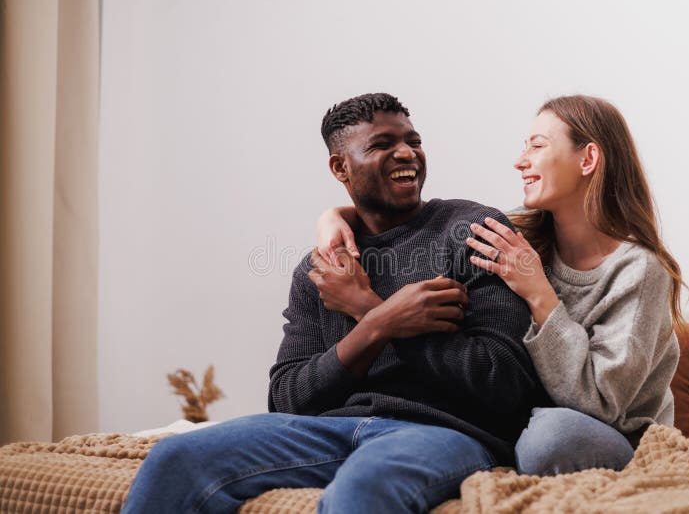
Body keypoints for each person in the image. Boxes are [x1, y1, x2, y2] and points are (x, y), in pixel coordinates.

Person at [121, 93, 547, 514]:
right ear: (340, 167)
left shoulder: (470, 231)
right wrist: (378, 323)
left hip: (440, 432)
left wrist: (365, 306)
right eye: (382, 145)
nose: (407, 154)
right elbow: (287, 399)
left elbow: (504, 383)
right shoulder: (322, 268)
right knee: (173, 459)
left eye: (413, 142)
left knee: (365, 486)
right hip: (327, 430)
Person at [315, 94, 686, 476]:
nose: (520, 161)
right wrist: (336, 216)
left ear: (587, 159)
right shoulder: (517, 238)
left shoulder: (639, 269)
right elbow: (422, 217)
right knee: (530, 433)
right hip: (532, 425)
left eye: (537, 146)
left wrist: (538, 291)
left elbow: (600, 403)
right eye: (524, 147)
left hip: (615, 436)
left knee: (550, 436)